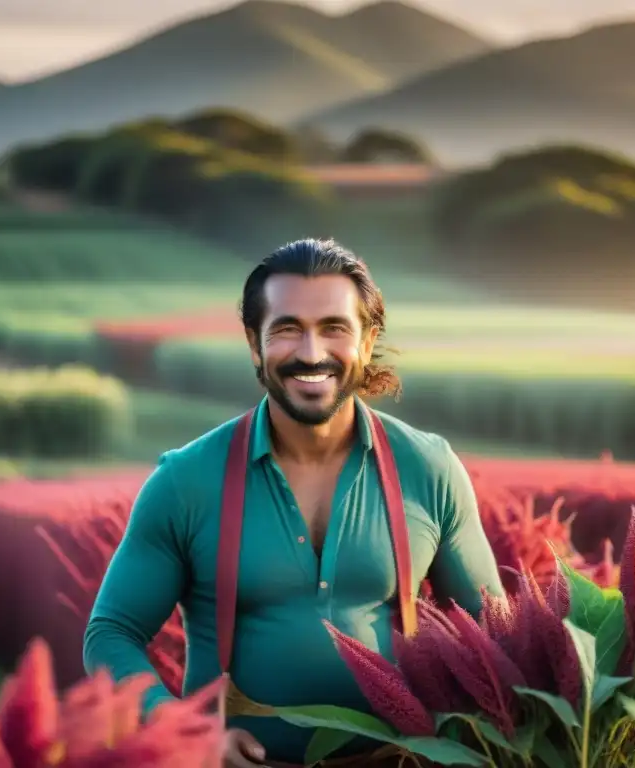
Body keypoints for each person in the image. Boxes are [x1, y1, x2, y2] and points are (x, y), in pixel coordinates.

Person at [83, 238, 504, 767]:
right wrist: (180, 729)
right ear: (254, 345)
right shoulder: (185, 480)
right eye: (287, 329)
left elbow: (494, 637)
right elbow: (111, 634)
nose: (310, 353)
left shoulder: (429, 468)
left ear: (368, 340)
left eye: (334, 328)